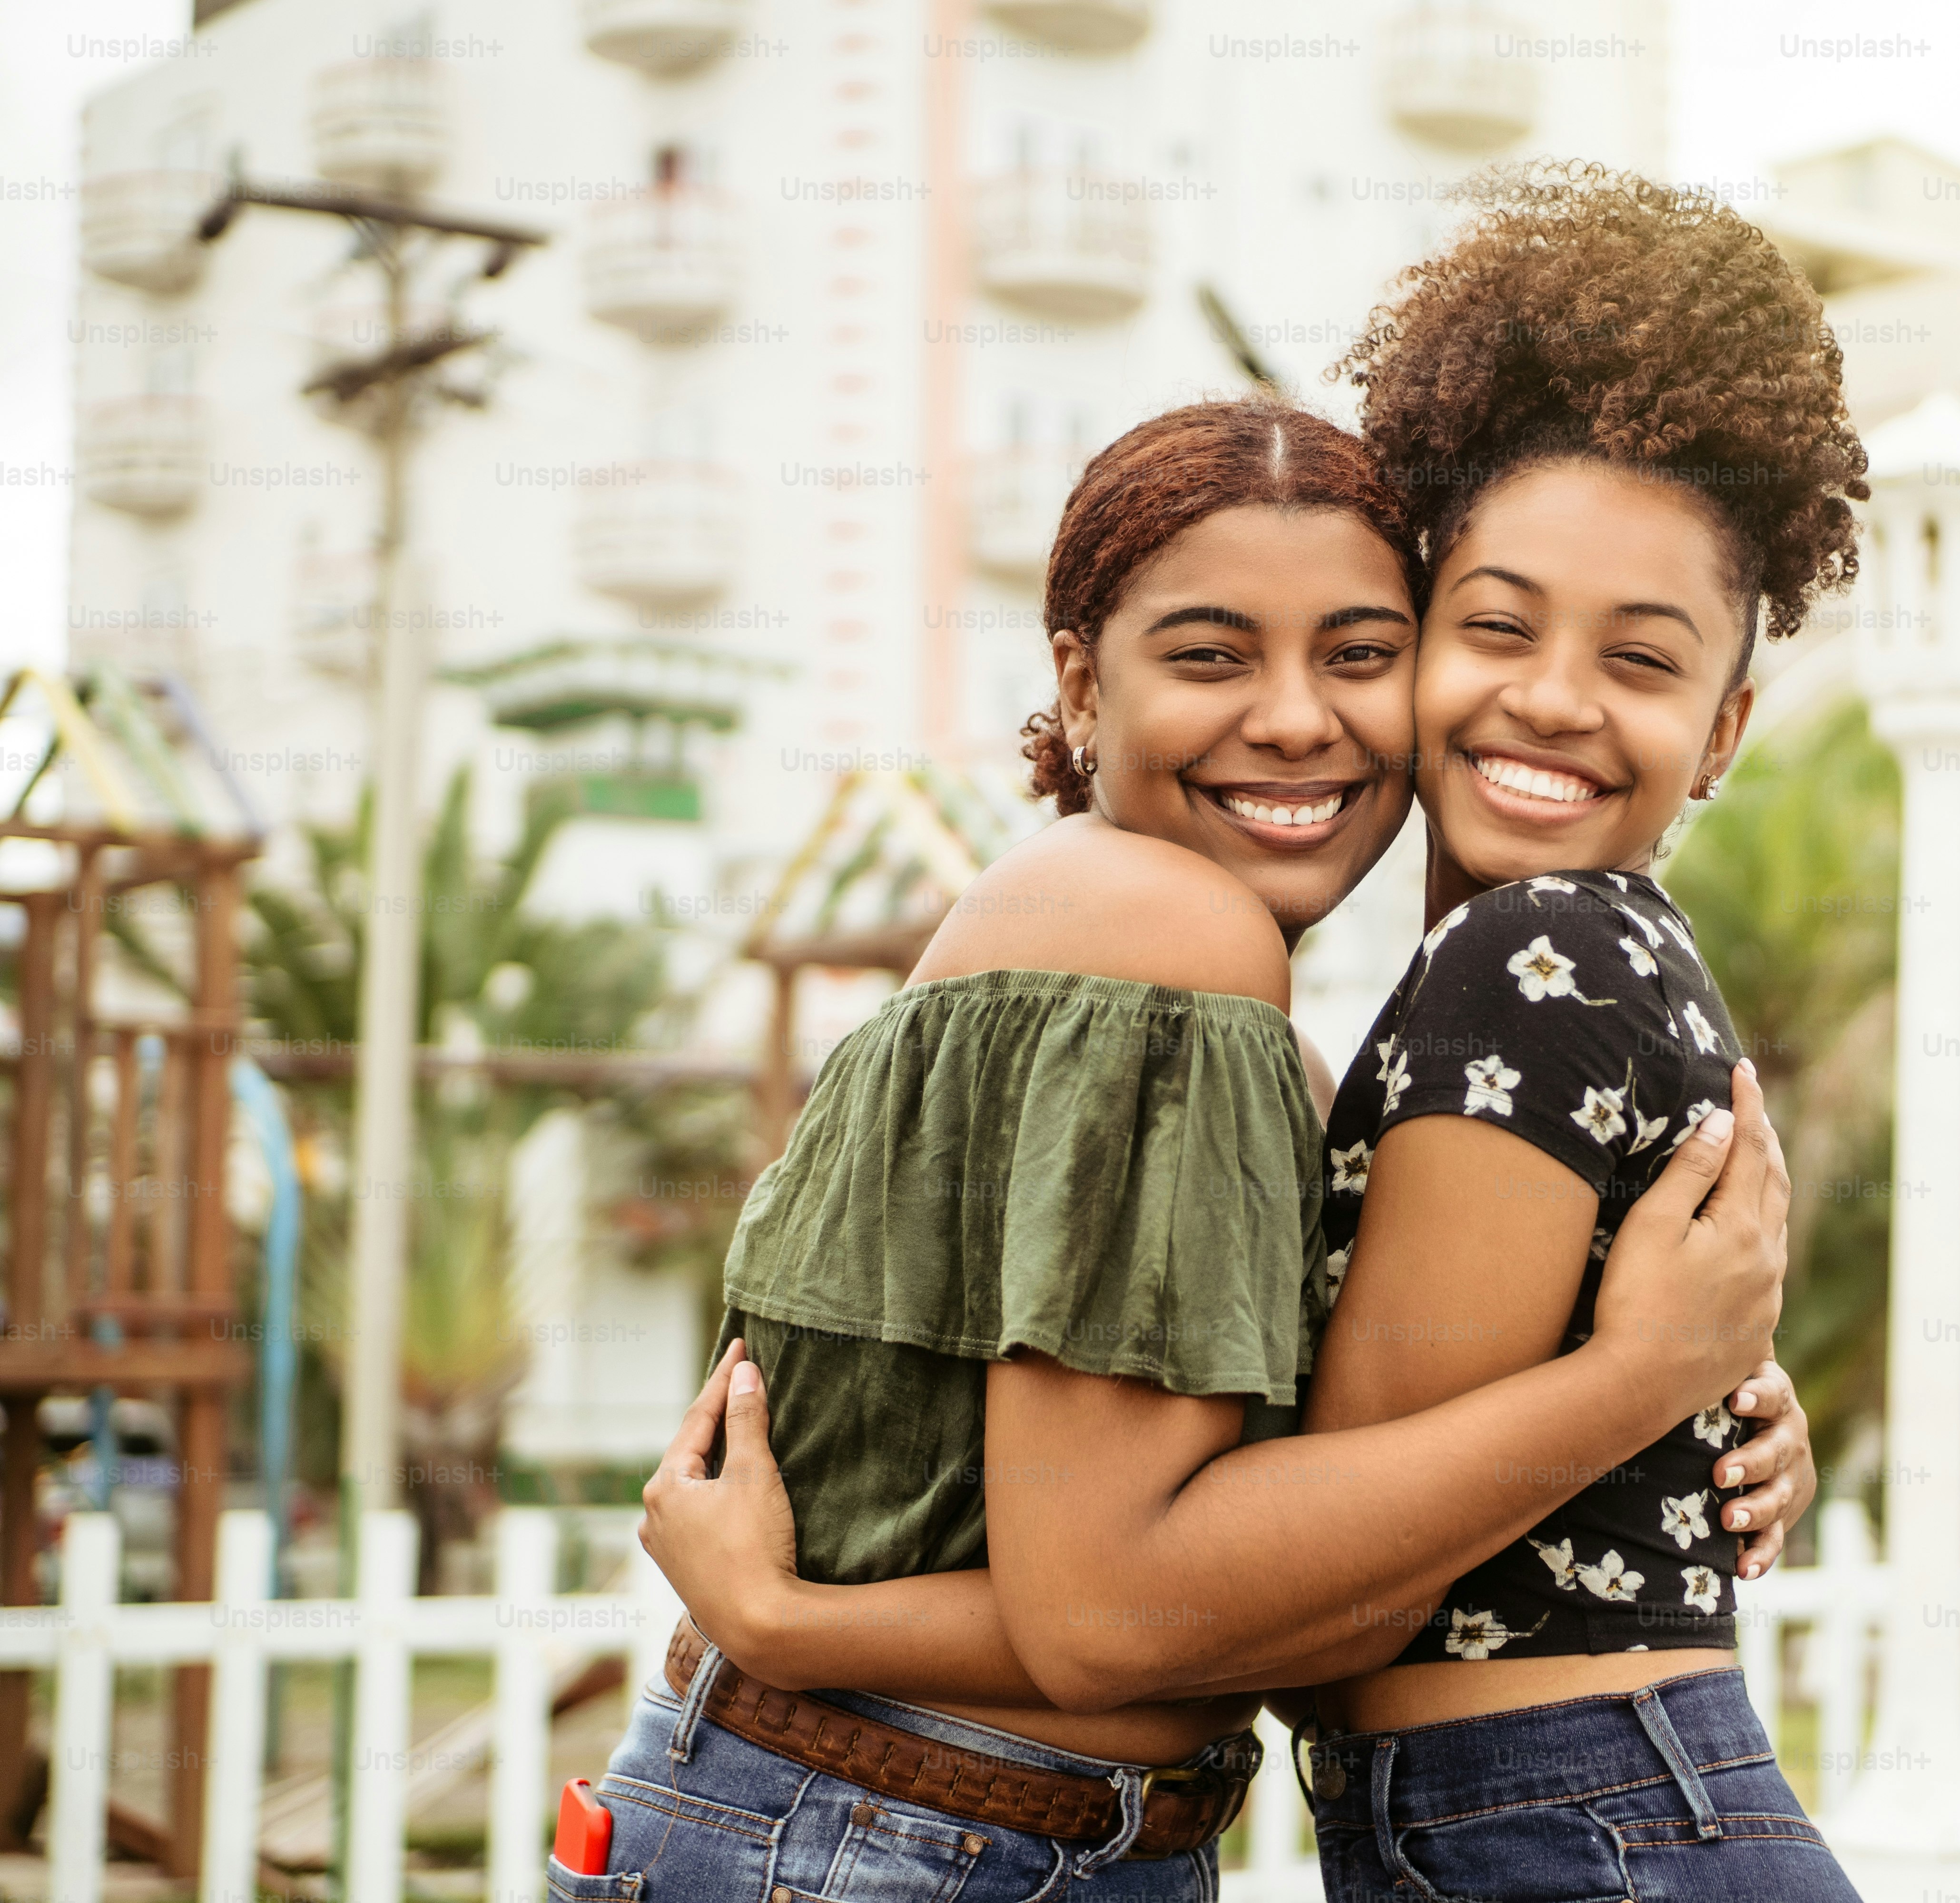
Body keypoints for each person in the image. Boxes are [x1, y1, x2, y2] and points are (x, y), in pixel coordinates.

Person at [568, 397, 1808, 1903]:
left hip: (920, 1828)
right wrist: (1633, 1386)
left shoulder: (1220, 1017)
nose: (1294, 719)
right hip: (893, 1837)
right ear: (1084, 689)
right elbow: (1111, 1615)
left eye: (1359, 654)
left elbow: (1261, 1541)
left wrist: (1676, 1423)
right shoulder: (1165, 938)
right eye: (1212, 656)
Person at [1292, 160, 1873, 1900]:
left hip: (1558, 1825)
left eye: (1641, 659)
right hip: (1592, 1816)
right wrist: (1682, 1398)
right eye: (1495, 625)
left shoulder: (1537, 958)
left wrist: (802, 1620)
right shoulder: (1584, 959)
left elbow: (1343, 1581)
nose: (1551, 698)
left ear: (1723, 731)